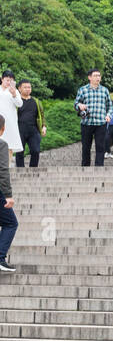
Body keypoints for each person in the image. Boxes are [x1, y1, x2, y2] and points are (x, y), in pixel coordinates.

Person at [74, 68, 112, 167]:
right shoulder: (82, 90)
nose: (98, 78)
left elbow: (110, 106)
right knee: (86, 148)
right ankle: (85, 168)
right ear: (89, 77)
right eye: (95, 76)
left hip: (101, 123)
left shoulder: (105, 90)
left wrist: (108, 115)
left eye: (99, 76)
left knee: (100, 147)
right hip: (86, 123)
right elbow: (76, 104)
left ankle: (99, 168)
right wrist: (79, 106)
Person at [13, 79, 45, 168]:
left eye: (29, 87)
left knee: (35, 151)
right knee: (19, 152)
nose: (28, 89)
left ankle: (33, 170)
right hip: (20, 130)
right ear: (19, 88)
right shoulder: (16, 101)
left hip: (33, 130)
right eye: (25, 87)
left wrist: (44, 126)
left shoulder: (36, 101)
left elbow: (42, 116)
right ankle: (20, 171)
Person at [0, 115, 16, 273]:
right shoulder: (2, 144)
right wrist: (8, 195)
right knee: (10, 223)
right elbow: (3, 170)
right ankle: (0, 258)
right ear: (3, 129)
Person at [0, 72, 20, 154]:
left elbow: (20, 104)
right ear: (2, 79)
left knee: (9, 145)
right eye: (7, 80)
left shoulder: (14, 91)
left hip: (10, 122)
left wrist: (14, 94)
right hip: (0, 120)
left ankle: (6, 166)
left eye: (11, 81)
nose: (9, 83)